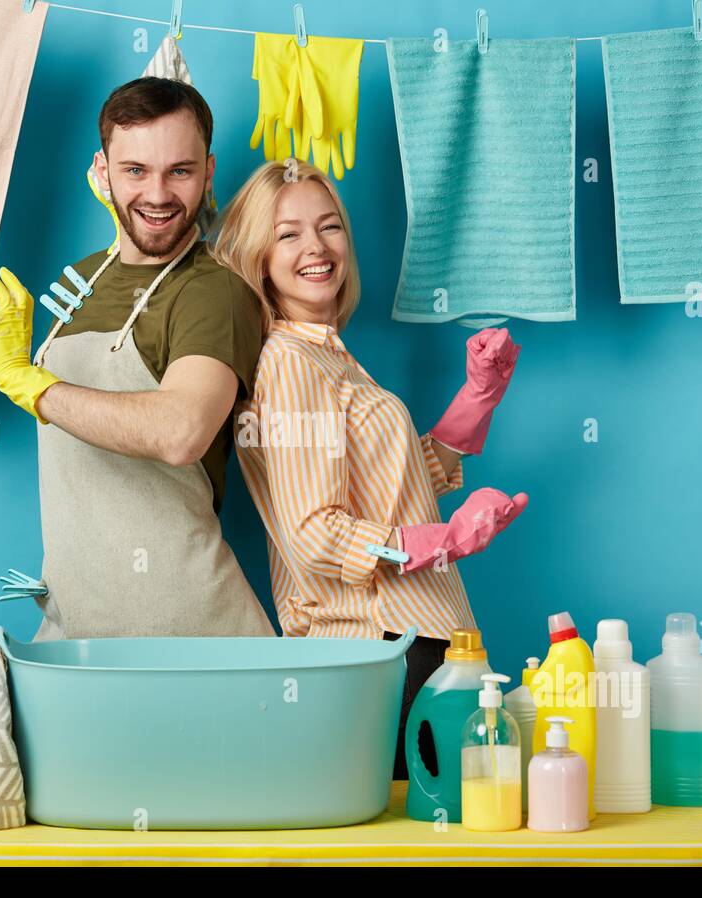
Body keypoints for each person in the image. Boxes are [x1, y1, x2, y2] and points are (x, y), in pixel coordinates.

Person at [212, 159, 528, 778]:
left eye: (329, 226)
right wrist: (444, 540)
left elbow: (398, 483)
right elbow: (313, 535)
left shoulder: (331, 357)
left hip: (417, 642)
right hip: (382, 650)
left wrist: (479, 395)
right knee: (434, 823)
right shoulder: (290, 363)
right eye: (288, 234)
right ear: (259, 260)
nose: (316, 247)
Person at [0, 78, 274, 641]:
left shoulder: (213, 290)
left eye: (179, 171)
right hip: (75, 624)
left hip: (185, 630)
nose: (157, 194)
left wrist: (33, 387)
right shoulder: (83, 279)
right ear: (102, 171)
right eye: (135, 170)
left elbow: (180, 432)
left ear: (208, 173)